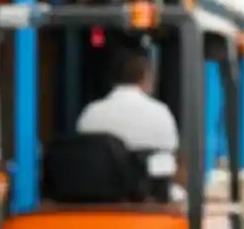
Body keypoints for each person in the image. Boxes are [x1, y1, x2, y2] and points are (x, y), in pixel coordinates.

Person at [76, 48, 184, 195]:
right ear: (146, 79)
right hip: (145, 196)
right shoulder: (159, 112)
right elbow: (169, 154)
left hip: (95, 195)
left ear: (113, 80)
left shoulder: (90, 112)